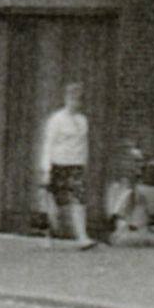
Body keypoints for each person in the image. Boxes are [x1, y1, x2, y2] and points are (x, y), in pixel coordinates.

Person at [39, 80, 93, 248]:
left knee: (78, 200)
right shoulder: (57, 120)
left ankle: (82, 237)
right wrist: (46, 169)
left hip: (75, 165)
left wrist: (84, 163)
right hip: (59, 164)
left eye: (78, 100)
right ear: (66, 99)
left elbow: (84, 144)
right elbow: (49, 143)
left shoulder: (83, 121)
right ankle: (49, 235)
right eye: (72, 99)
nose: (75, 103)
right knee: (55, 202)